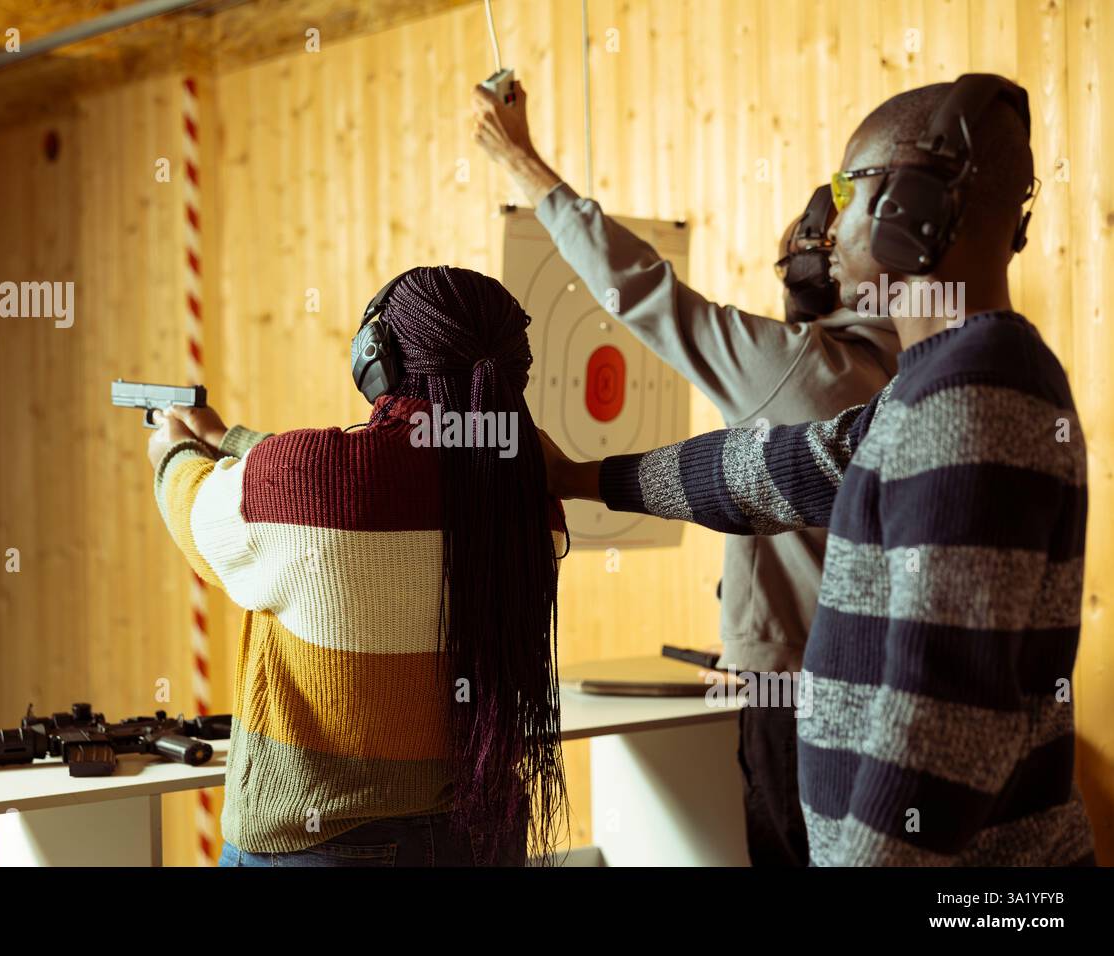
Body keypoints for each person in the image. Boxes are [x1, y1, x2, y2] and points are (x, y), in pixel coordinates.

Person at [540, 75, 1096, 865]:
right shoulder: (931, 389)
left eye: (848, 188)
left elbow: (940, 733)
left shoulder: (974, 402)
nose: (828, 222)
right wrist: (582, 477)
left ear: (911, 208)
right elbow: (767, 469)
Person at [472, 80, 899, 866]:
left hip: (800, 697)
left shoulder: (805, 365)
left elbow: (645, 293)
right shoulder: (911, 369)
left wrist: (526, 169)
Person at [146, 265, 567, 866]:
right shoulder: (528, 492)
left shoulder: (309, 478)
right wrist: (232, 439)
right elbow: (363, 481)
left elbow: (198, 515)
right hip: (483, 834)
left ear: (377, 359)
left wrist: (173, 452)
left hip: (325, 841)